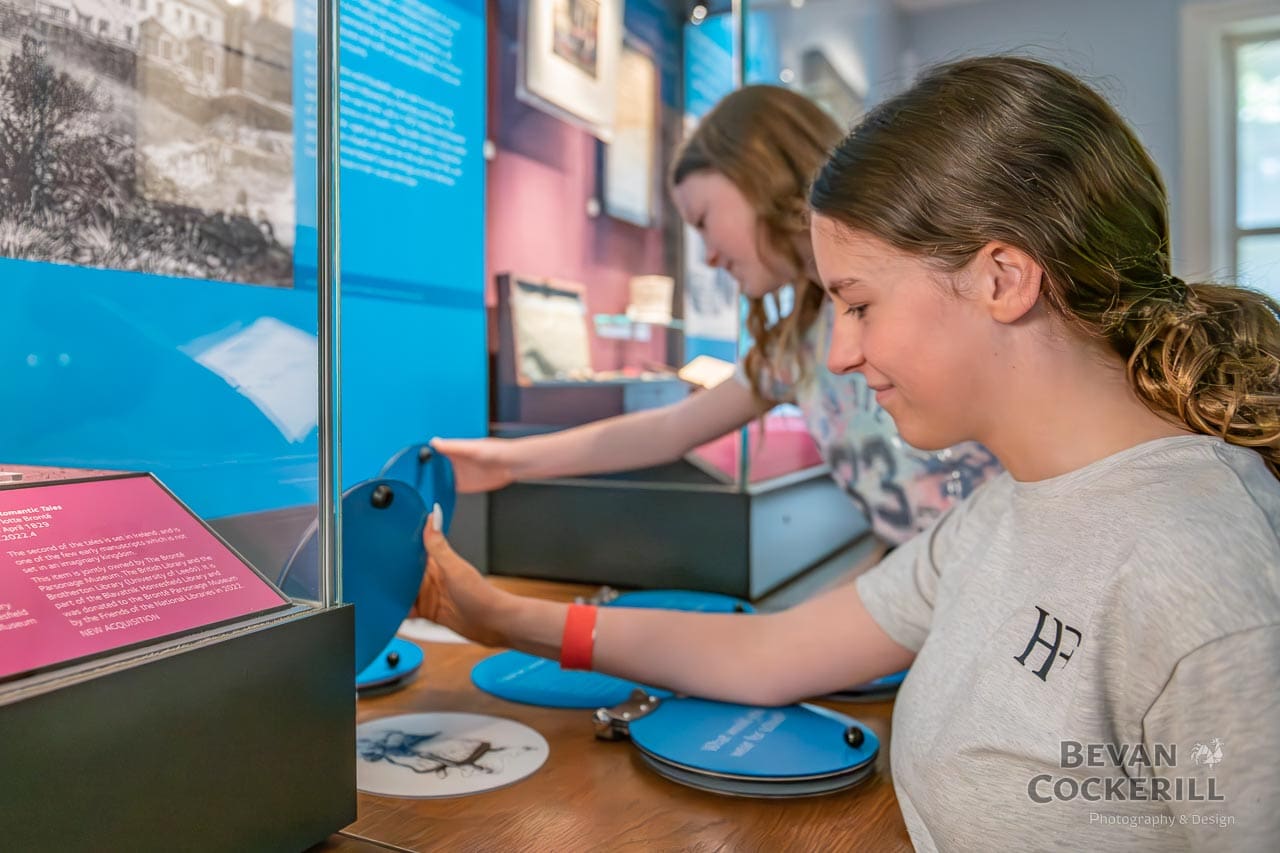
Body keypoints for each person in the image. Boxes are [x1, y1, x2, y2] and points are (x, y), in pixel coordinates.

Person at [418, 56, 1280, 850]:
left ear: (1003, 278)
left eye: (860, 305)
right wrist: (500, 616)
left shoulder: (1204, 583)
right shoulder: (995, 520)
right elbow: (771, 652)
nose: (838, 352)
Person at [434, 84, 1001, 545]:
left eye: (703, 219)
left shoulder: (927, 286)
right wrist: (505, 460)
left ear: (759, 171)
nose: (706, 254)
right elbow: (668, 429)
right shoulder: (797, 345)